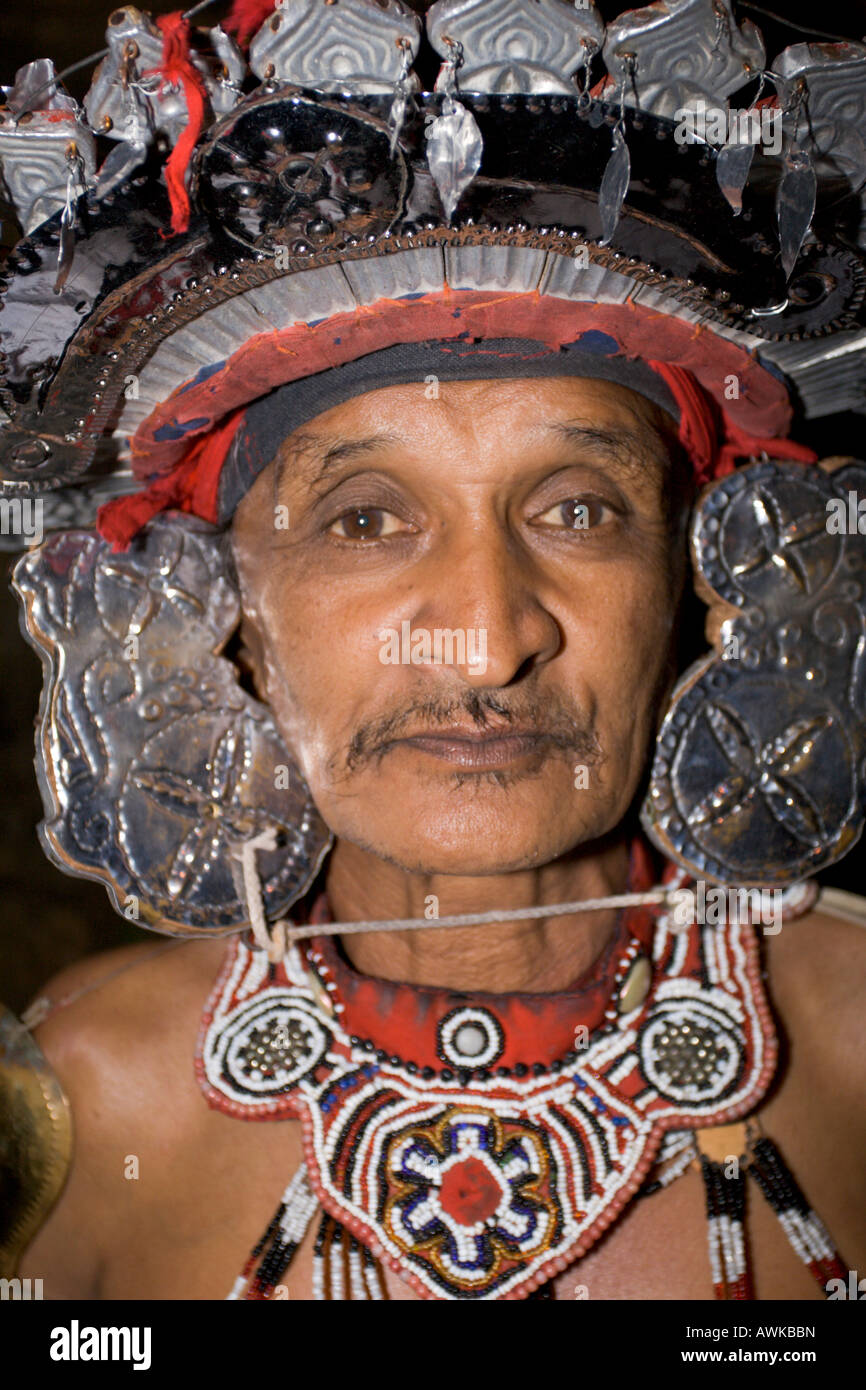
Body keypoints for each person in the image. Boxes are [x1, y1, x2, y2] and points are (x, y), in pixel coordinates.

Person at [2, 0, 865, 1301]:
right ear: (220, 596)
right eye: (364, 518)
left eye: (576, 508)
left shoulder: (853, 1045)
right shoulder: (76, 1096)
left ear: (697, 568)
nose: (489, 631)